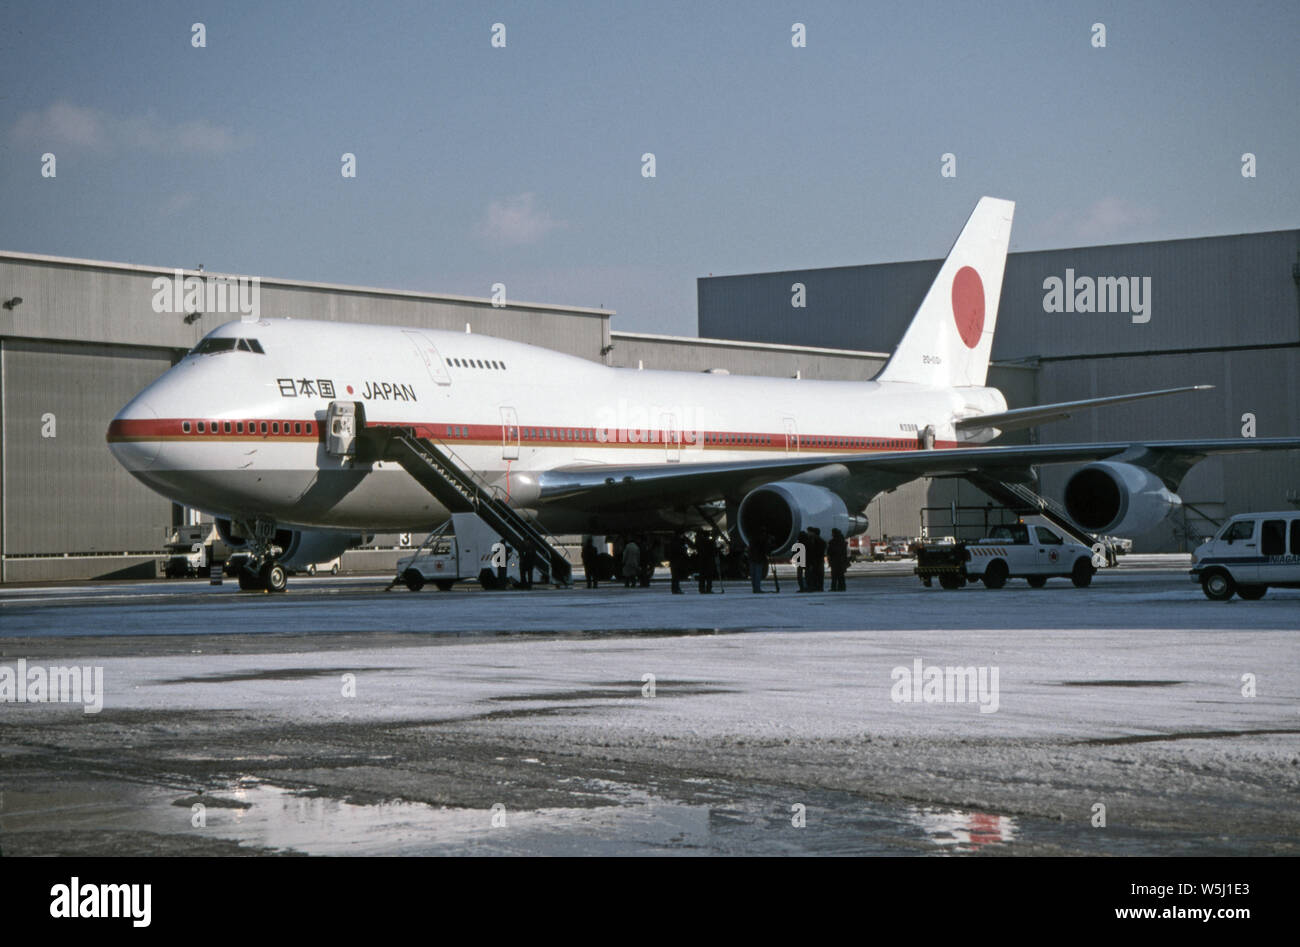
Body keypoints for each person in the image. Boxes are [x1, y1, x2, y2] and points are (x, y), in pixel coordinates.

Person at [807, 527, 826, 592]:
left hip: (816, 560)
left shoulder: (814, 540)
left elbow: (813, 551)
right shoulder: (821, 541)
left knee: (815, 574)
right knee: (819, 574)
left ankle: (816, 586)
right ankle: (819, 587)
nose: (808, 533)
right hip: (819, 560)